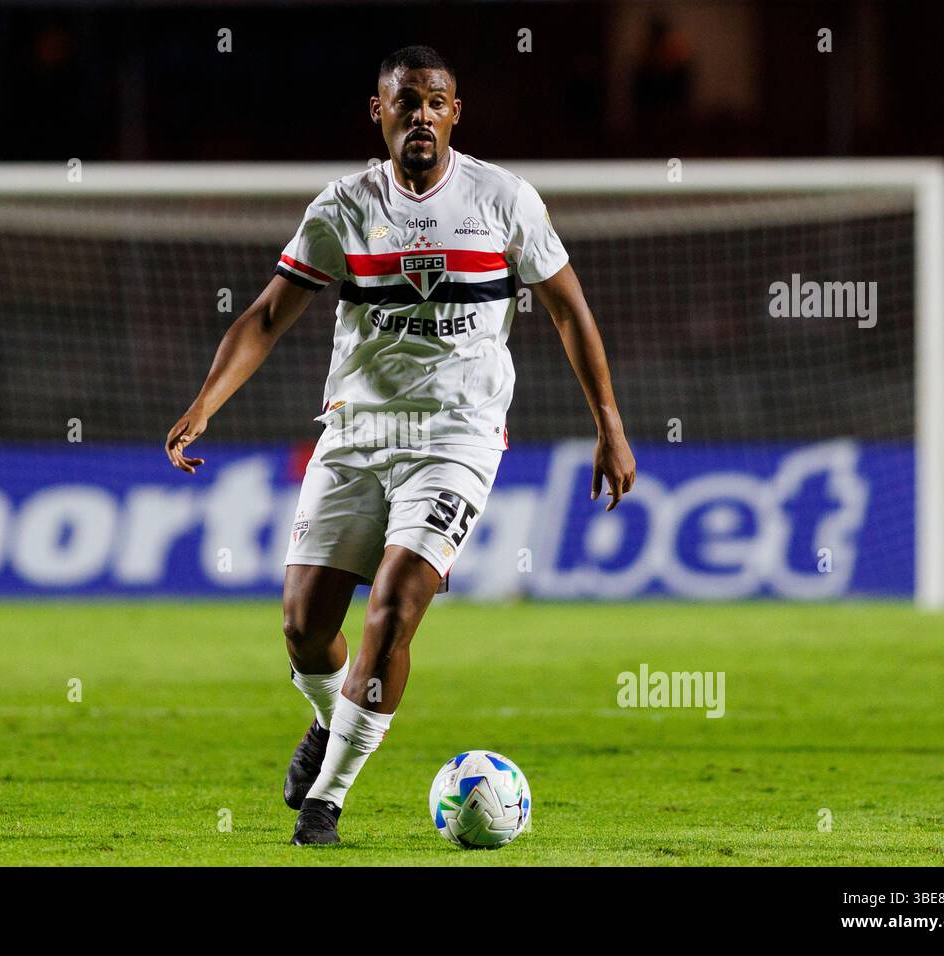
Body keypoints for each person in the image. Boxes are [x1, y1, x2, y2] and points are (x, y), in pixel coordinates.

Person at [165, 45, 635, 844]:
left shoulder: (504, 200)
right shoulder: (343, 207)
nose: (421, 114)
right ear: (377, 113)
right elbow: (270, 314)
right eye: (406, 101)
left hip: (457, 437)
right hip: (355, 433)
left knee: (394, 603)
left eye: (436, 101)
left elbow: (567, 309)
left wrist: (610, 425)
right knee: (304, 626)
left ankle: (327, 801)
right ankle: (329, 720)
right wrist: (204, 404)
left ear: (457, 113)